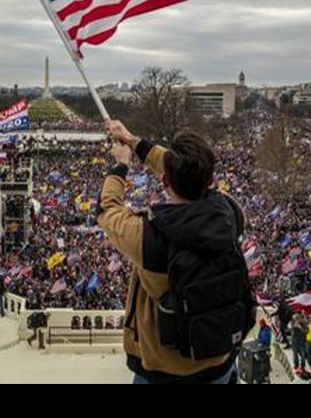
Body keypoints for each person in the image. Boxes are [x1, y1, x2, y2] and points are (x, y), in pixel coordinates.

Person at [100, 120, 251, 384]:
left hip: (164, 369)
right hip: (220, 359)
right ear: (210, 180)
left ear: (165, 181)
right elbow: (186, 171)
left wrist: (121, 164)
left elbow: (107, 209)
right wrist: (132, 140)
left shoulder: (147, 237)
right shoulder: (231, 214)